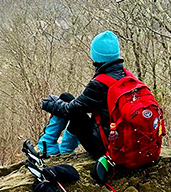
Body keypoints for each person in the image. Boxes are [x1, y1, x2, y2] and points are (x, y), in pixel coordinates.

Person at [40, 30, 125, 160]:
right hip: (121, 141)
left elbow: (70, 110)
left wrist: (48, 103)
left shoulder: (100, 84)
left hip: (104, 147)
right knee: (67, 98)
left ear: (96, 56)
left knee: (69, 106)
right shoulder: (125, 76)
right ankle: (63, 147)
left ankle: (50, 146)